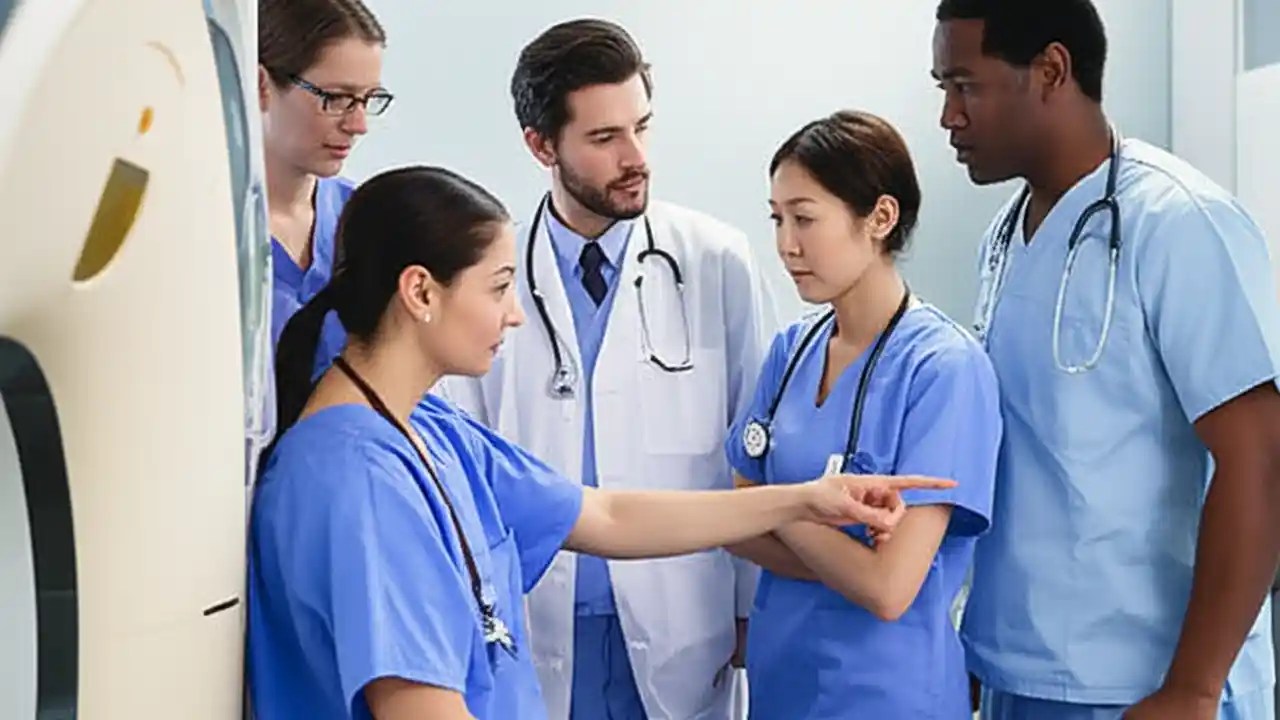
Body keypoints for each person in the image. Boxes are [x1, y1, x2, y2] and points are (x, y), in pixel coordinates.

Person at [245, 164, 955, 720]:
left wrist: (803, 499)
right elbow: (419, 707)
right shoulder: (354, 478)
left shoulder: (427, 430)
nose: (516, 314)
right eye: (497, 289)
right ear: (421, 292)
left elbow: (607, 516)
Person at [930, 1, 1280, 718]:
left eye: (965, 85)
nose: (947, 116)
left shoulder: (1179, 223)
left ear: (1051, 70)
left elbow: (1263, 461)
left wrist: (1193, 687)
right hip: (1018, 671)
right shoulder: (1005, 236)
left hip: (1148, 687)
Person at [436, 19, 777, 720]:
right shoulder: (481, 278)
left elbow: (756, 452)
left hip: (687, 627)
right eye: (604, 139)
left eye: (641, 128)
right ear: (540, 145)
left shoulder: (716, 262)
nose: (636, 157)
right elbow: (458, 466)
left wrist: (750, 608)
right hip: (536, 627)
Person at [721, 110, 1002, 719]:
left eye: (805, 217)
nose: (785, 244)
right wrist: (818, 523)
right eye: (777, 218)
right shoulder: (790, 351)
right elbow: (734, 528)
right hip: (781, 686)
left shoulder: (944, 368)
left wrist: (779, 503)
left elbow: (888, 589)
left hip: (888, 695)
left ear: (880, 217)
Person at [259, 0, 392, 370]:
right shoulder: (199, 226)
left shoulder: (370, 221)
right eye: (336, 99)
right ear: (261, 86)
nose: (358, 124)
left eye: (368, 100)